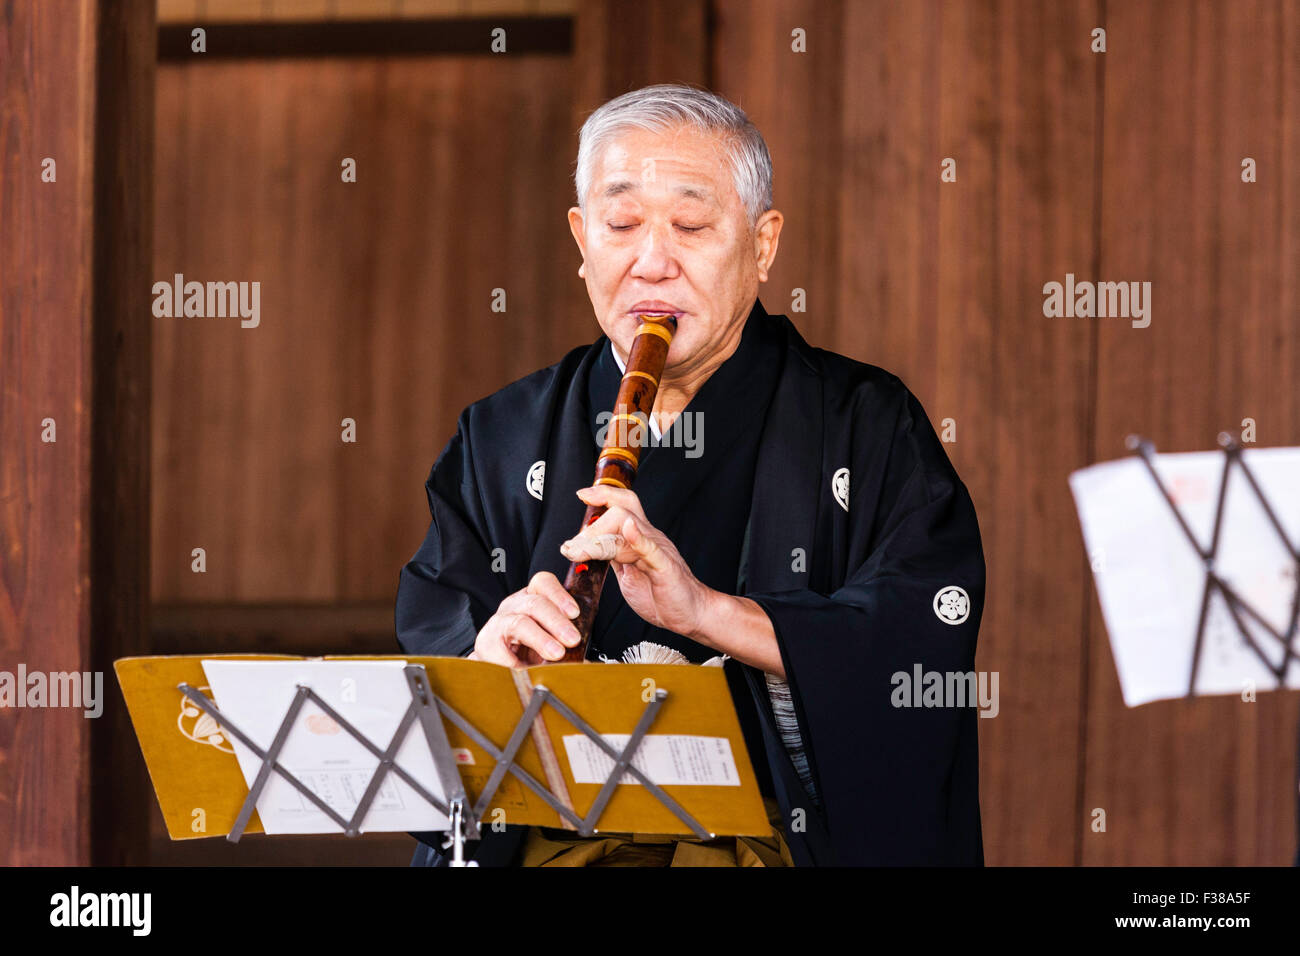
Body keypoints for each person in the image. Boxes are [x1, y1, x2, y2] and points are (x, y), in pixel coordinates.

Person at [396, 84, 985, 866]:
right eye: (621, 225)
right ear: (581, 239)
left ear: (763, 243)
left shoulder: (866, 426)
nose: (652, 262)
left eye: (693, 226)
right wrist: (487, 672)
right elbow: (430, 694)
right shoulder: (500, 435)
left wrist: (707, 613)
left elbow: (920, 648)